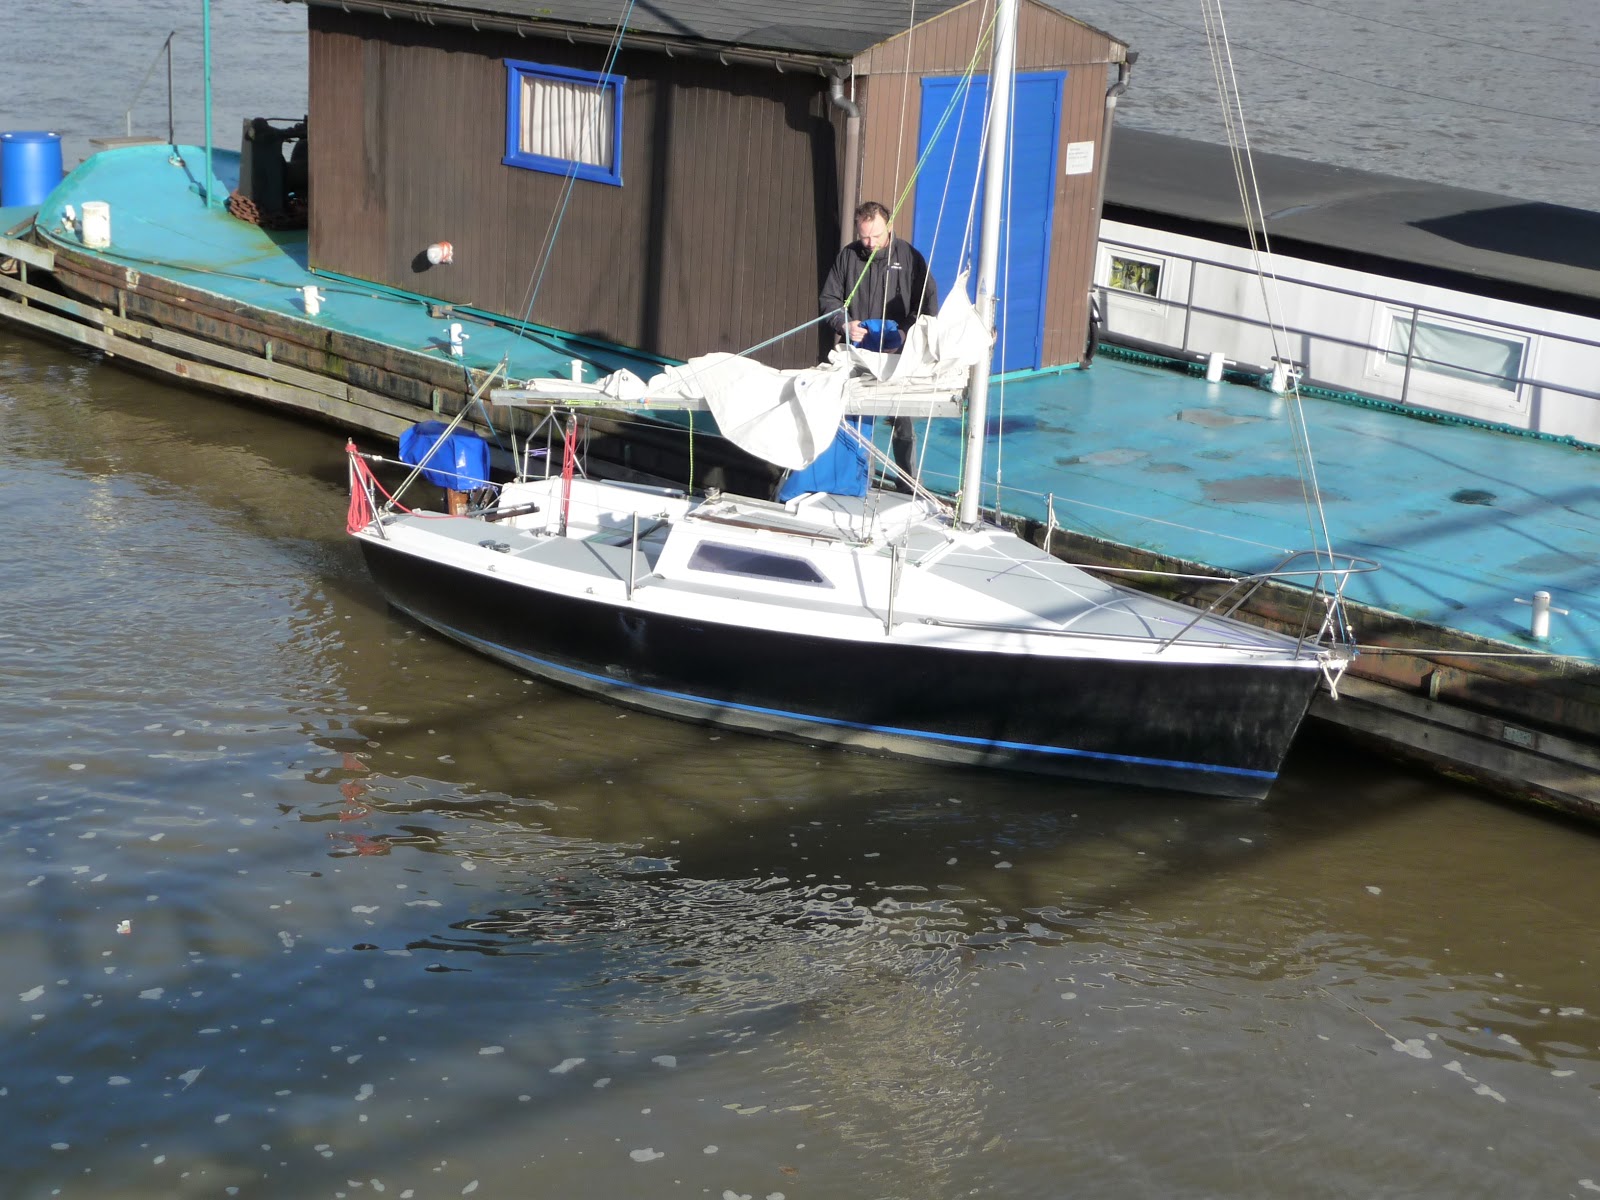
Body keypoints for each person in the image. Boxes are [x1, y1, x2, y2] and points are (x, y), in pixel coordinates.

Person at [819, 201, 938, 489]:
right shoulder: (848, 256)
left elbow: (927, 305)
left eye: (876, 236)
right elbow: (829, 299)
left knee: (903, 420)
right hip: (859, 353)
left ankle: (909, 481)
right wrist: (844, 324)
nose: (870, 243)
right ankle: (860, 481)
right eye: (864, 237)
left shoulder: (910, 258)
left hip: (898, 355)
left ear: (889, 227)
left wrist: (906, 333)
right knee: (857, 417)